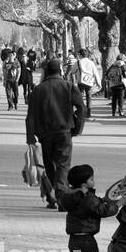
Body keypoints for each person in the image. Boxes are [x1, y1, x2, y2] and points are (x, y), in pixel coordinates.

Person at [25, 57, 84, 209]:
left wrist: (31, 137)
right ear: (60, 70)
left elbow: (30, 115)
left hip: (45, 134)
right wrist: (77, 128)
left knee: (49, 165)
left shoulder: (38, 89)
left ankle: (53, 198)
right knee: (63, 166)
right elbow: (81, 108)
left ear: (46, 71)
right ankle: (62, 198)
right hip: (64, 131)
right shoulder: (69, 86)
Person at [59, 164, 117, 252]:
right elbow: (102, 210)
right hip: (86, 240)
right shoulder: (87, 198)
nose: (94, 180)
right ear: (84, 184)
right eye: (92, 179)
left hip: (74, 239)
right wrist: (117, 205)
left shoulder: (71, 196)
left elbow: (97, 203)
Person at [75, 48, 102, 117]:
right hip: (89, 82)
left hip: (81, 81)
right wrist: (99, 83)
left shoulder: (78, 62)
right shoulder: (91, 63)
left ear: (80, 55)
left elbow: (72, 71)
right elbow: (95, 73)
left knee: (80, 97)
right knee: (89, 98)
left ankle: (80, 112)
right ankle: (88, 113)